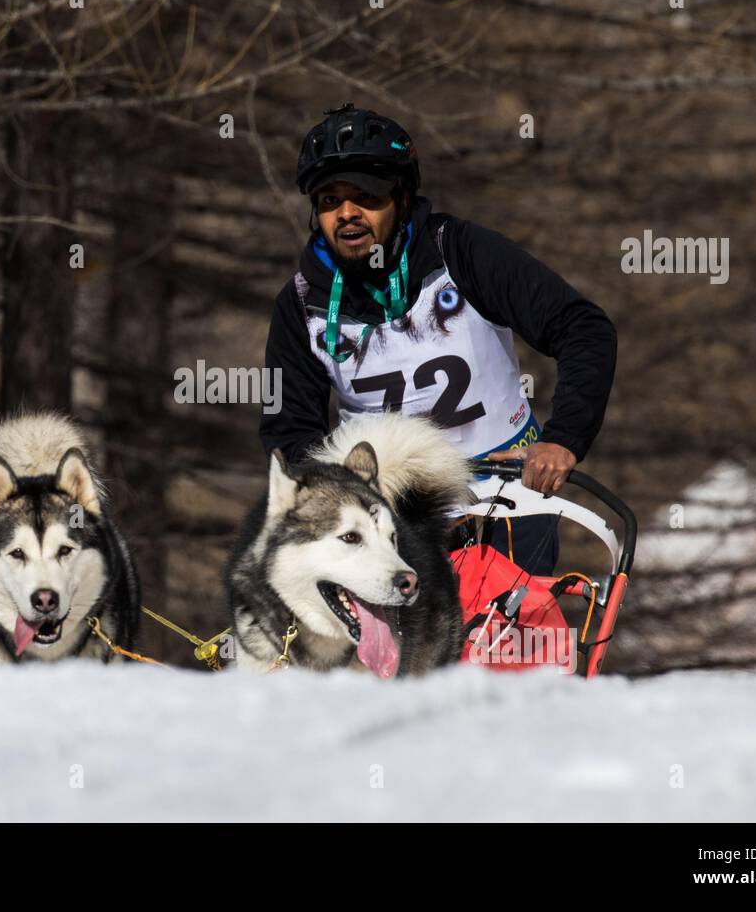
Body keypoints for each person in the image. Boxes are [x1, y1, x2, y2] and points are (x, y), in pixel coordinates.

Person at [260, 104, 617, 576]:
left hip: (505, 506)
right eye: (329, 201)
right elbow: (290, 434)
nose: (347, 213)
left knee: (503, 649)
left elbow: (582, 328)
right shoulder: (300, 305)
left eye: (364, 196)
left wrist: (563, 440)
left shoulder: (461, 252)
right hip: (389, 526)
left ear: (402, 196)